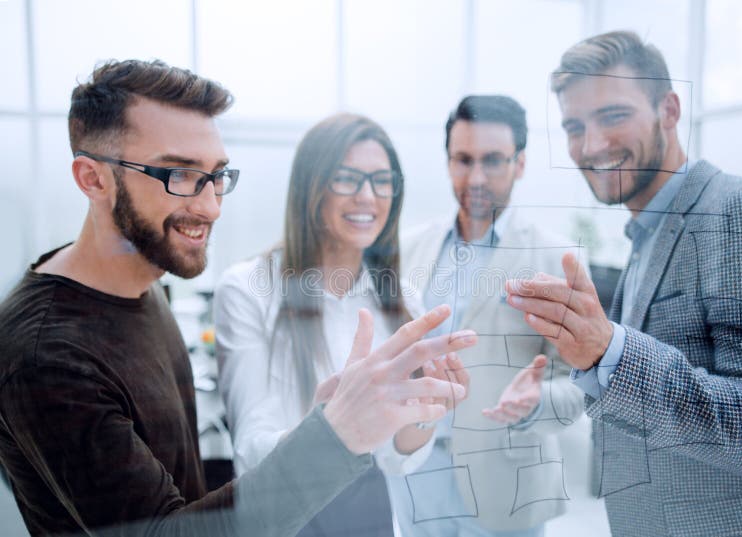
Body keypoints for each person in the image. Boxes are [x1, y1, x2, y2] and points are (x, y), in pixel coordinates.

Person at [0, 59, 476, 537]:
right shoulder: (48, 357)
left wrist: (390, 418)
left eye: (216, 177)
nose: (210, 206)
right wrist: (335, 432)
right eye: (178, 175)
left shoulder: (141, 285)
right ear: (93, 179)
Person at [506, 31, 742, 536]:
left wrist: (610, 351)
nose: (592, 144)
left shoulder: (741, 213)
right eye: (575, 126)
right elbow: (648, 401)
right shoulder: (646, 237)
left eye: (613, 116)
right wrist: (548, 397)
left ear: (669, 109)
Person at [213, 113, 471, 537]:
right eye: (348, 179)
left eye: (382, 181)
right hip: (285, 518)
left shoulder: (400, 296)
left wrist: (424, 417)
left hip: (367, 516)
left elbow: (392, 459)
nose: (368, 197)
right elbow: (250, 447)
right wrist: (330, 427)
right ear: (310, 188)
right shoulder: (247, 289)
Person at [391, 95, 586, 537]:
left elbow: (582, 384)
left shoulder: (557, 259)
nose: (476, 177)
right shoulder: (409, 249)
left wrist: (539, 403)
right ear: (447, 161)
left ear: (520, 164)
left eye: (493, 161)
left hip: (508, 477)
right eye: (463, 159)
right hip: (419, 473)